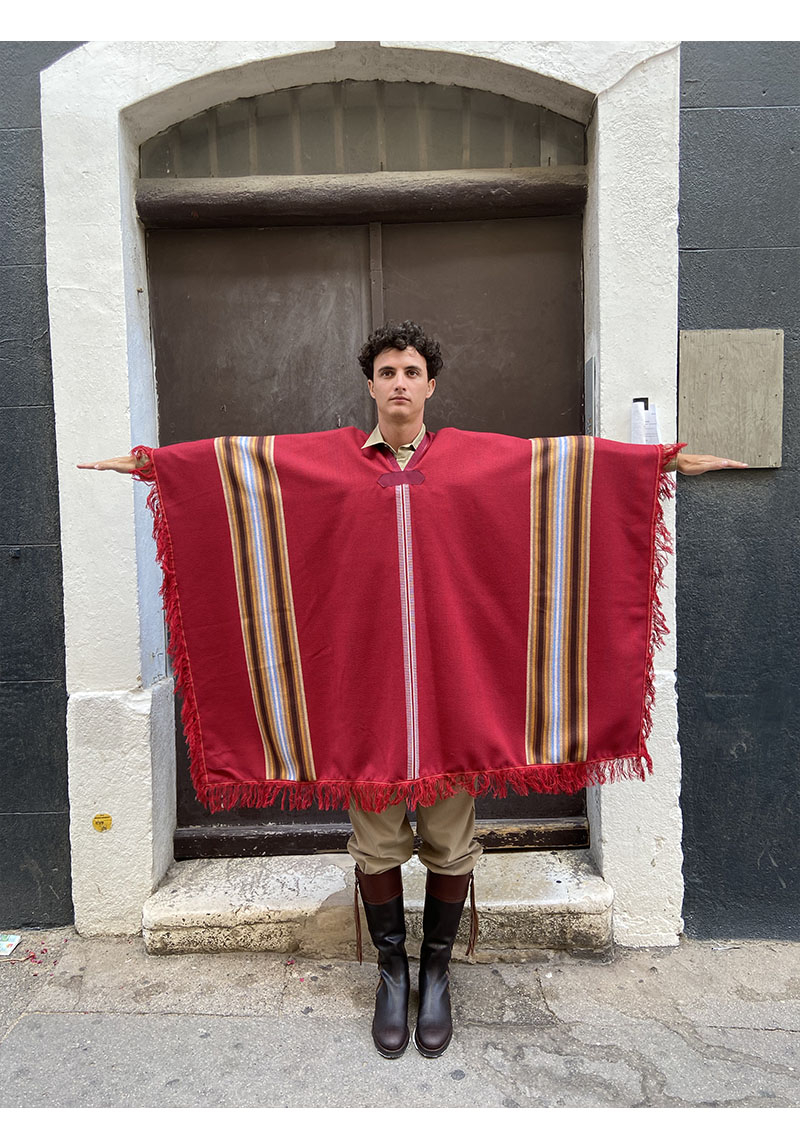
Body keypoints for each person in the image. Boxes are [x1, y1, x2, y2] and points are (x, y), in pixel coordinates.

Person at [78, 320, 748, 1060]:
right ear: (371, 385)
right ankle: (391, 972)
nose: (399, 382)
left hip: (450, 697)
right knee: (376, 843)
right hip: (365, 699)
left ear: (431, 384)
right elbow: (238, 466)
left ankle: (436, 971)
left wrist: (661, 462)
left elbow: (560, 466)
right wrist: (152, 467)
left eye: (412, 370)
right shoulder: (328, 462)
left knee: (451, 842)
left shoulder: (470, 460)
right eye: (387, 371)